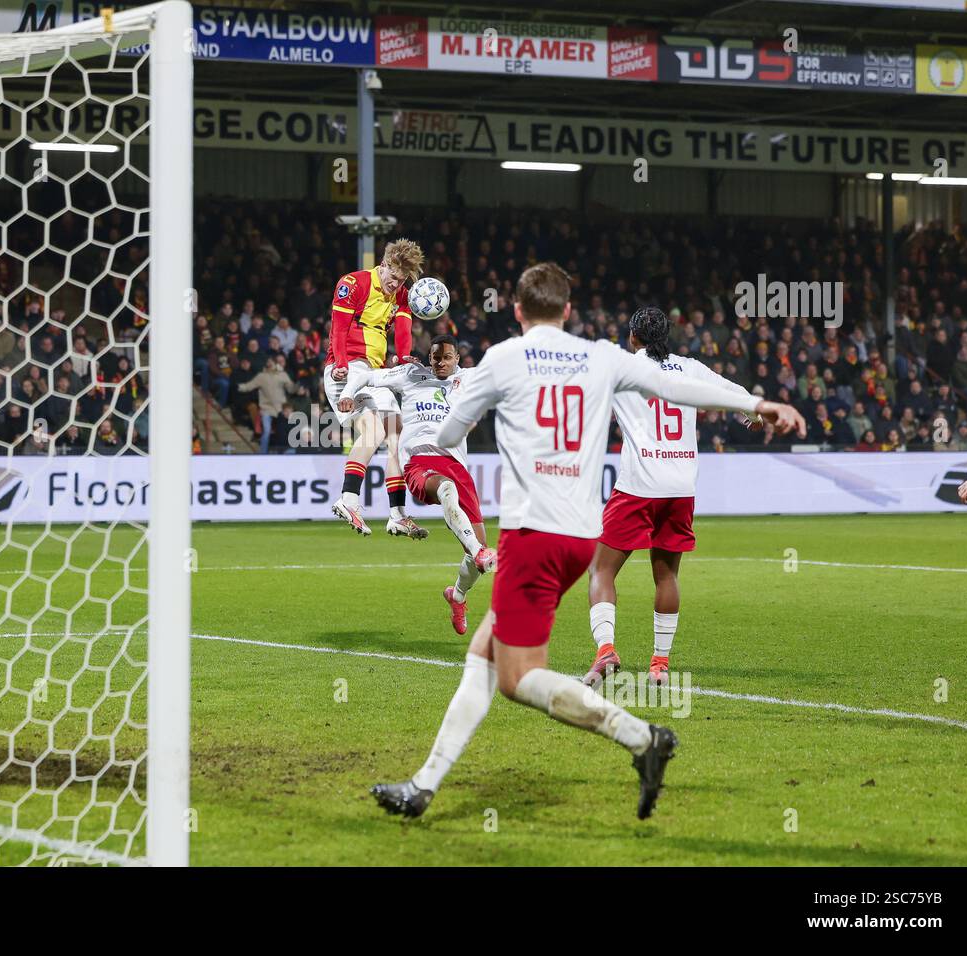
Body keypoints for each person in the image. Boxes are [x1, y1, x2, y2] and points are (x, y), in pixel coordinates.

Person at [371, 263, 804, 820]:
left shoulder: (504, 358)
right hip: (579, 535)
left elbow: (449, 433)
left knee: (516, 677)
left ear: (521, 312)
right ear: (568, 310)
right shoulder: (600, 356)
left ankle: (643, 738)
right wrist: (755, 405)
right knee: (482, 655)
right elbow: (674, 383)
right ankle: (424, 784)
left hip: (533, 534)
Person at [585, 307, 759, 687]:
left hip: (637, 487)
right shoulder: (691, 368)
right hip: (681, 489)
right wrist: (754, 416)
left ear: (633, 337)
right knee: (666, 575)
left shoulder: (621, 368)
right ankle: (660, 665)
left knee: (601, 570)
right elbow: (737, 395)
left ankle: (606, 650)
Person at [339, 335, 496, 635]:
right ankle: (477, 551)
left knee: (477, 550)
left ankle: (458, 595)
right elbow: (366, 375)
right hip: (420, 463)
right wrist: (348, 391)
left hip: (458, 465)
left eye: (447, 357)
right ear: (429, 357)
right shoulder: (411, 375)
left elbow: (508, 371)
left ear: (457, 360)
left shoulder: (468, 379)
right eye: (436, 357)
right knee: (446, 490)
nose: (440, 363)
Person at [324, 238, 426, 539]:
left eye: (402, 280)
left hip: (375, 373)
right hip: (348, 369)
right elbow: (339, 328)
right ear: (384, 265)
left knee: (398, 439)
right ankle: (349, 499)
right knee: (374, 432)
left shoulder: (403, 295)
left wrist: (404, 357)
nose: (396, 284)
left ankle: (397, 515)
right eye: (393, 277)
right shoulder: (354, 283)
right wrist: (341, 362)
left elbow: (404, 333)